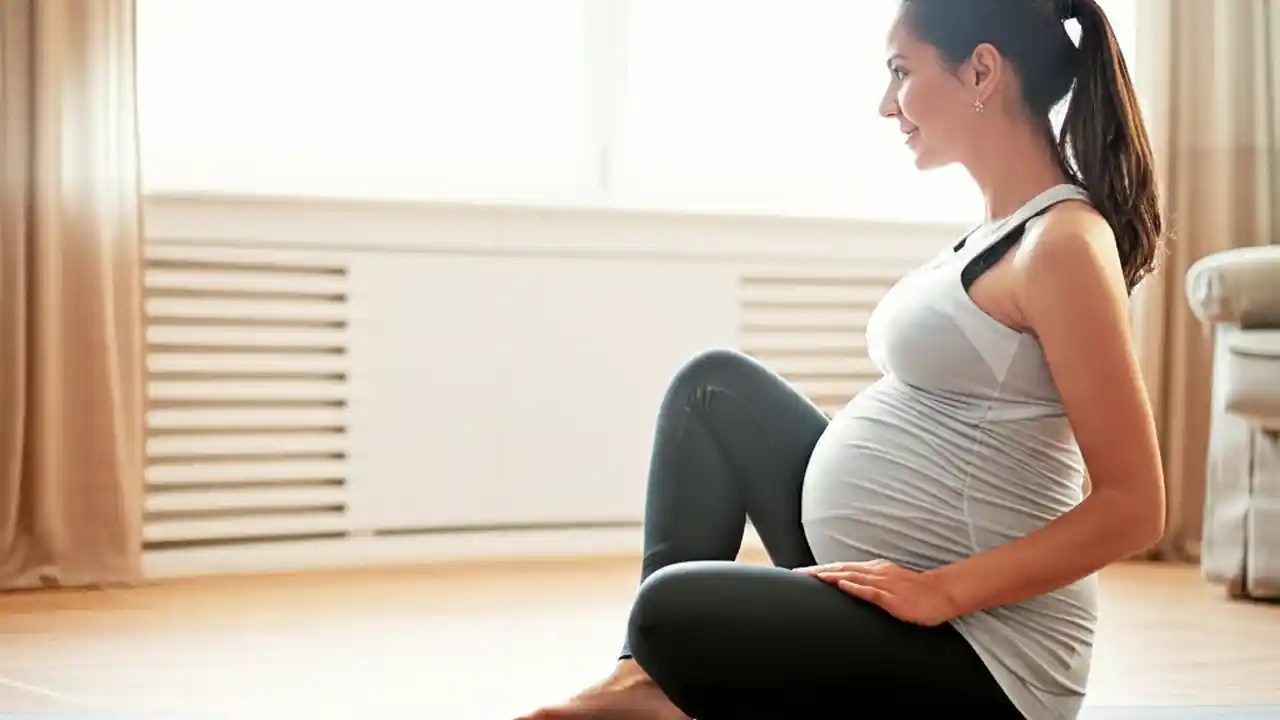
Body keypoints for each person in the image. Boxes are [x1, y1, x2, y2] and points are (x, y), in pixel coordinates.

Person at [518, 0, 1166, 717]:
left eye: (901, 72)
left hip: (980, 656)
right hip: (891, 597)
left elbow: (1134, 507)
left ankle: (658, 686)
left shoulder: (1063, 245)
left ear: (981, 69)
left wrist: (941, 590)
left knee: (672, 607)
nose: (887, 105)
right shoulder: (998, 231)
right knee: (713, 390)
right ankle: (643, 683)